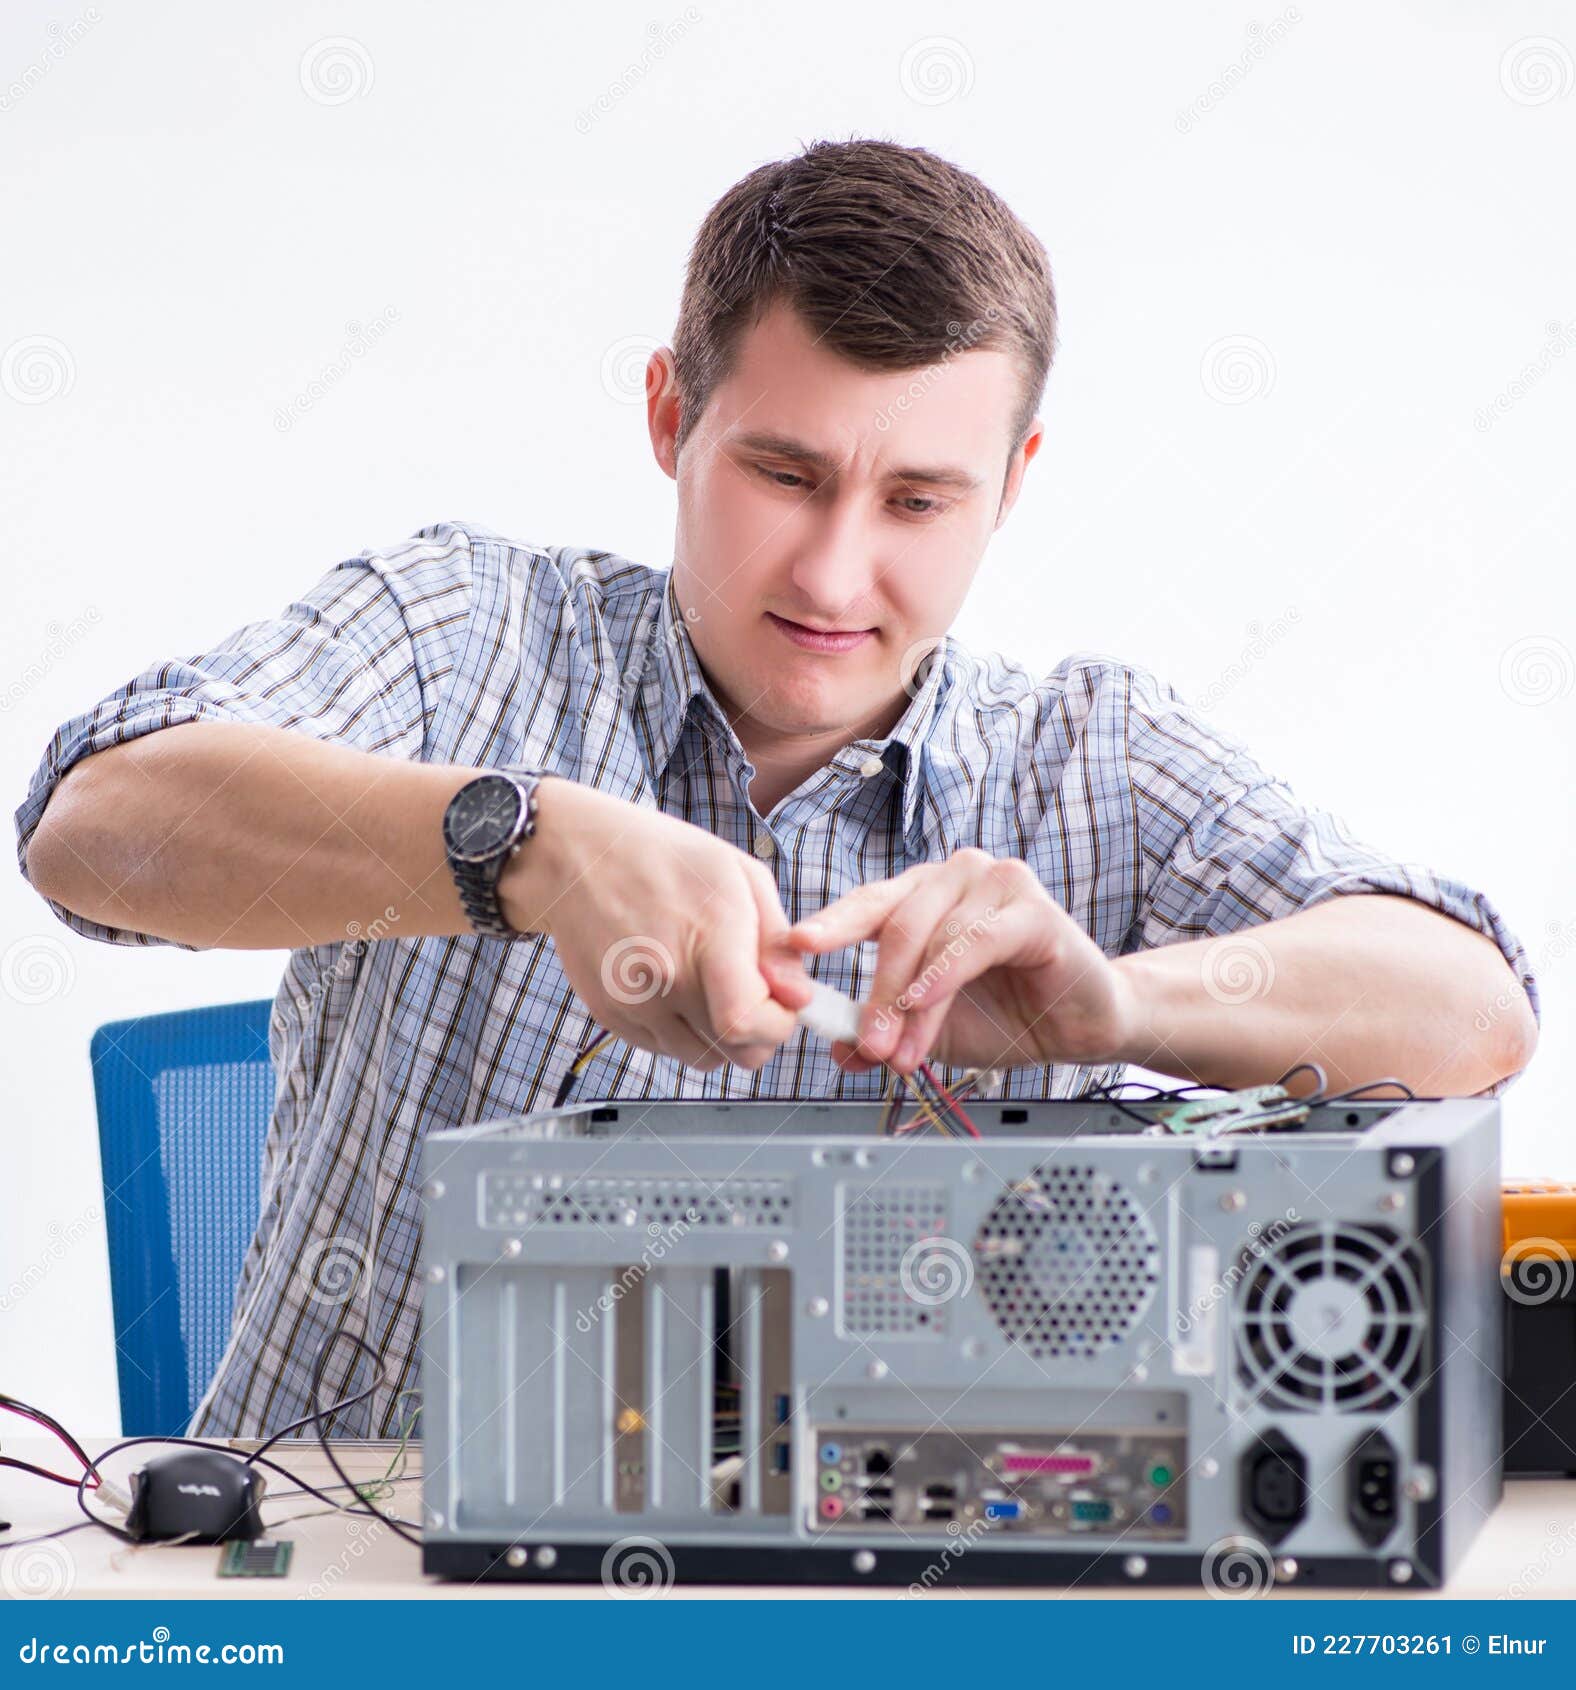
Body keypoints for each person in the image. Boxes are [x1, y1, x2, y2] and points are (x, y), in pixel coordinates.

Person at [15, 139, 1539, 1438]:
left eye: (919, 499)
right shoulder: (468, 631)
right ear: (673, 417)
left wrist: (1119, 1007)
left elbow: (1471, 1004)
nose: (832, 571)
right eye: (786, 474)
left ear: (1011, 484)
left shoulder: (1089, 758)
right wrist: (521, 845)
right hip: (359, 1597)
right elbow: (90, 823)